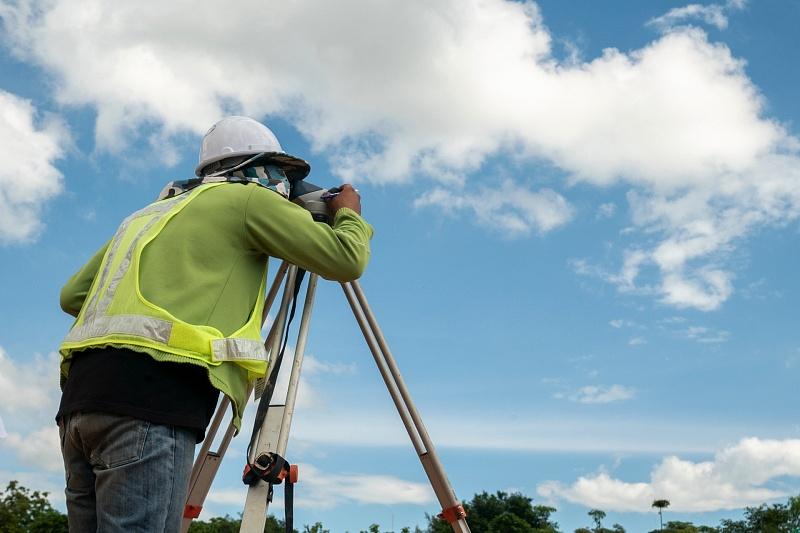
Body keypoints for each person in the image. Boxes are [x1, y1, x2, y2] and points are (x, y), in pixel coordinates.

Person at [56, 116, 373, 532]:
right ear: (256, 167)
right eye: (281, 173)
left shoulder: (148, 215)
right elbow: (346, 260)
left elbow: (72, 296)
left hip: (80, 406)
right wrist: (347, 214)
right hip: (152, 402)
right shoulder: (248, 201)